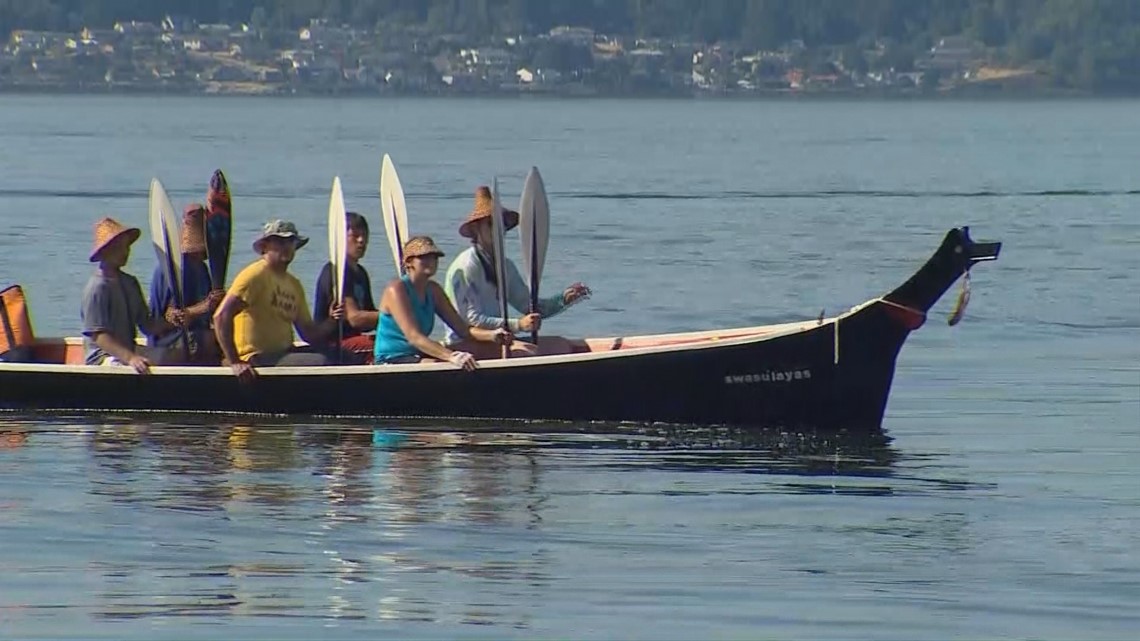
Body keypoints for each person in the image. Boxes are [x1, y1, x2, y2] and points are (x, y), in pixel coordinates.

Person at [443, 185, 591, 358]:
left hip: (497, 339)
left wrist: (563, 300)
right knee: (530, 351)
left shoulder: (506, 266)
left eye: (501, 224)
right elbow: (473, 319)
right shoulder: (467, 266)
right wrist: (518, 325)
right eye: (491, 224)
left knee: (561, 344)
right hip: (464, 342)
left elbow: (528, 308)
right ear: (476, 229)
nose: (498, 229)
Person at [212, 219, 347, 383]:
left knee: (341, 355)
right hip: (255, 357)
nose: (287, 246)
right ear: (265, 246)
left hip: (283, 354)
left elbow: (309, 334)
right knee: (322, 363)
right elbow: (221, 316)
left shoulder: (294, 285)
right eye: (280, 241)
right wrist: (235, 361)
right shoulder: (255, 275)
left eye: (291, 241)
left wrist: (332, 320)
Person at [373, 235, 511, 369]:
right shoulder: (396, 289)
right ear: (409, 262)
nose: (431, 261)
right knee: (441, 364)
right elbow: (414, 337)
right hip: (393, 358)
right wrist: (452, 356)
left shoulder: (433, 290)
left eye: (434, 257)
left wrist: (492, 335)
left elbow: (463, 330)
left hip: (419, 352)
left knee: (487, 350)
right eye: (423, 257)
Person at [80, 217, 180, 373]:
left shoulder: (130, 283)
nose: (125, 251)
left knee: (175, 357)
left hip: (129, 349)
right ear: (105, 251)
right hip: (103, 358)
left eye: (126, 246)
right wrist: (130, 358)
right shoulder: (96, 288)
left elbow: (147, 325)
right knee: (129, 367)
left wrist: (171, 321)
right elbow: (99, 337)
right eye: (119, 247)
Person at [148, 204, 225, 364]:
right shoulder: (173, 269)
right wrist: (204, 307)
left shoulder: (202, 268)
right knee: (210, 339)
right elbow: (170, 317)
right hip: (169, 341)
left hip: (195, 335)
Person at [313, 211, 378, 362]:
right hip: (333, 344)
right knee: (384, 347)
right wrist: (394, 316)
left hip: (354, 339)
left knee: (396, 342)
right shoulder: (336, 271)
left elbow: (368, 320)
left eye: (365, 236)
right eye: (355, 236)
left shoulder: (361, 273)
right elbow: (355, 318)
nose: (362, 241)